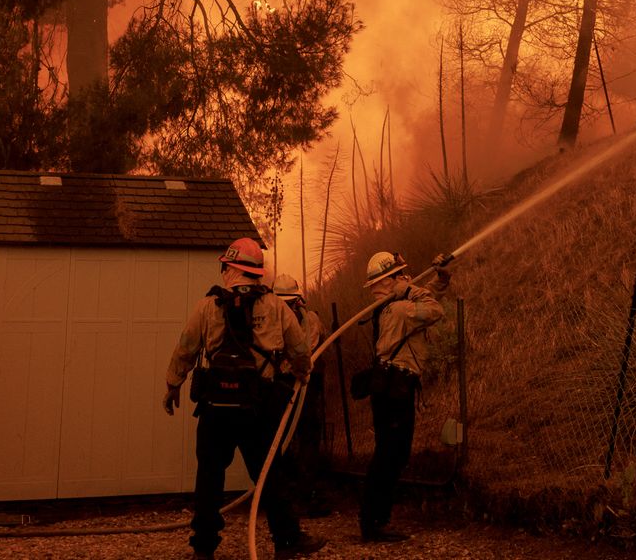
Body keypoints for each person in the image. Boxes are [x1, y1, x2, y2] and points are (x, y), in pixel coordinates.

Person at [164, 239, 324, 559]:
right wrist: (302, 372)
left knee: (209, 476)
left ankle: (204, 548)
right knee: (268, 475)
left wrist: (173, 385)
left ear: (231, 269)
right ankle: (288, 541)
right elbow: (300, 348)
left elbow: (185, 348)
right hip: (258, 407)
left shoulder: (208, 306)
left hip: (215, 407)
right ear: (256, 272)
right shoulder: (276, 306)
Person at [359, 249, 451, 545]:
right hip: (395, 391)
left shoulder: (391, 306)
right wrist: (409, 288)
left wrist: (440, 278)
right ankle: (374, 523)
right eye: (400, 274)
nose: (406, 277)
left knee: (390, 454)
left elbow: (425, 299)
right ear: (392, 279)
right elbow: (433, 311)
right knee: (391, 456)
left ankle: (373, 520)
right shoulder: (399, 309)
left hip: (390, 389)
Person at [271, 273, 330, 516]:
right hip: (289, 385)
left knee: (299, 439)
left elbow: (308, 349)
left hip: (300, 385)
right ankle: (285, 496)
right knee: (282, 441)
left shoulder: (309, 320)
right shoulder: (304, 318)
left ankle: (300, 495)